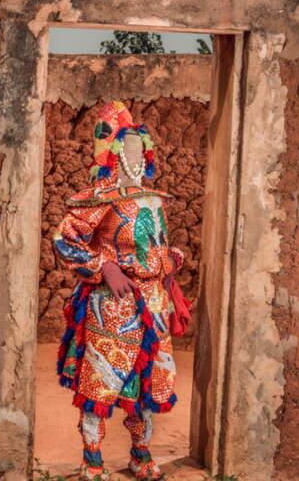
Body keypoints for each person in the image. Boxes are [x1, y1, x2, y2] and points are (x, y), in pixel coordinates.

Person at [53, 102, 192, 481]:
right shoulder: (100, 197)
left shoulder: (150, 197)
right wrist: (105, 268)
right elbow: (64, 240)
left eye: (139, 147)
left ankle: (140, 453)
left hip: (154, 305)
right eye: (126, 147)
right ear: (111, 152)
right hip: (113, 306)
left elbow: (155, 243)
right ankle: (92, 459)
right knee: (102, 380)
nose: (135, 154)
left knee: (148, 382)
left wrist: (169, 259)